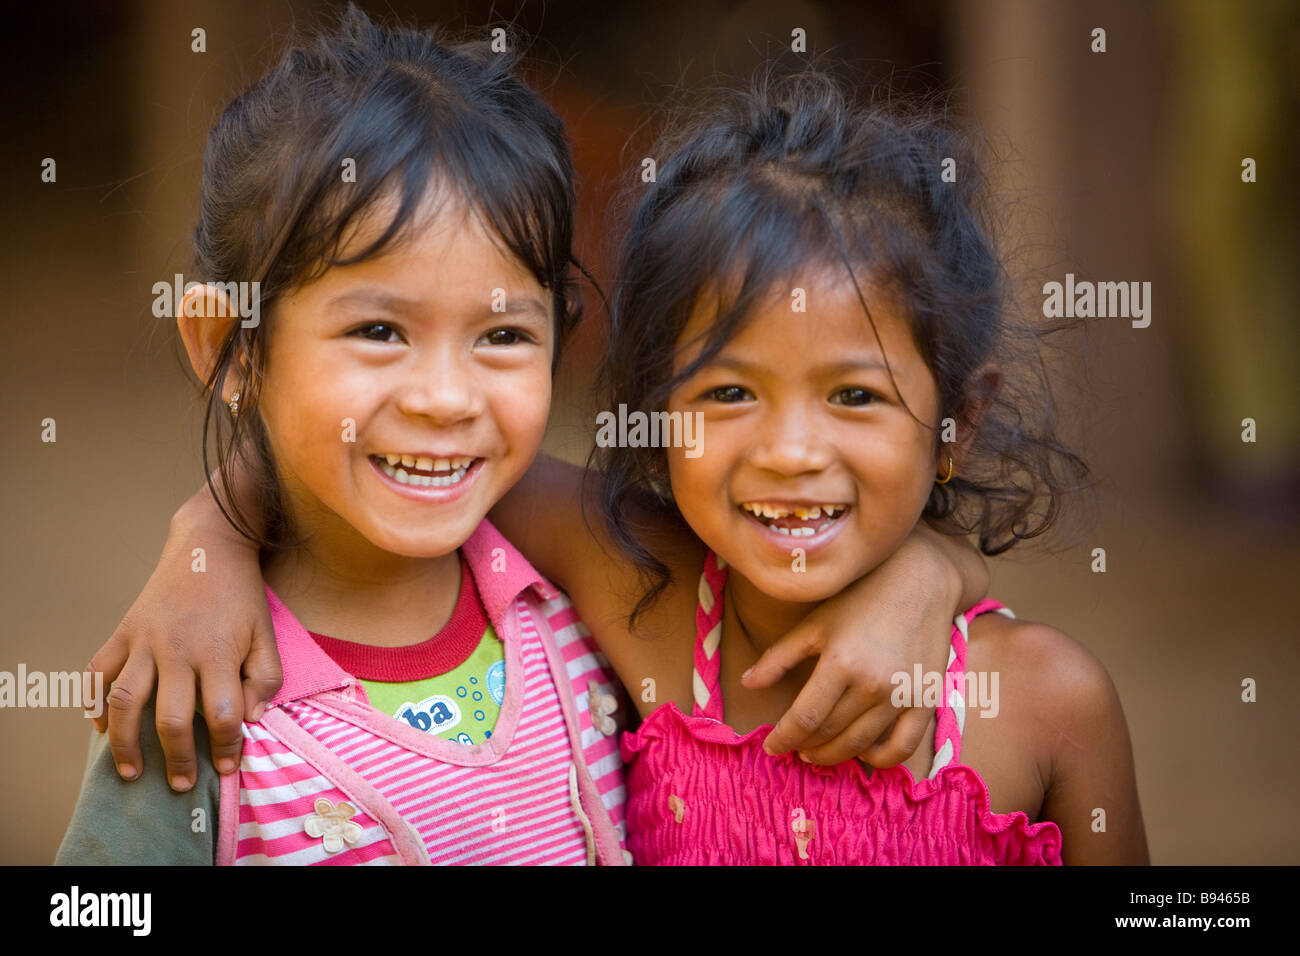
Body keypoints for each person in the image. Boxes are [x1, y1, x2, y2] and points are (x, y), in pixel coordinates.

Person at [58, 8, 986, 865]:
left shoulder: (580, 587)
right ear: (231, 344)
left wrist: (924, 576)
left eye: (503, 335)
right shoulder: (192, 693)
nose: (445, 398)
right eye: (379, 331)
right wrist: (207, 544)